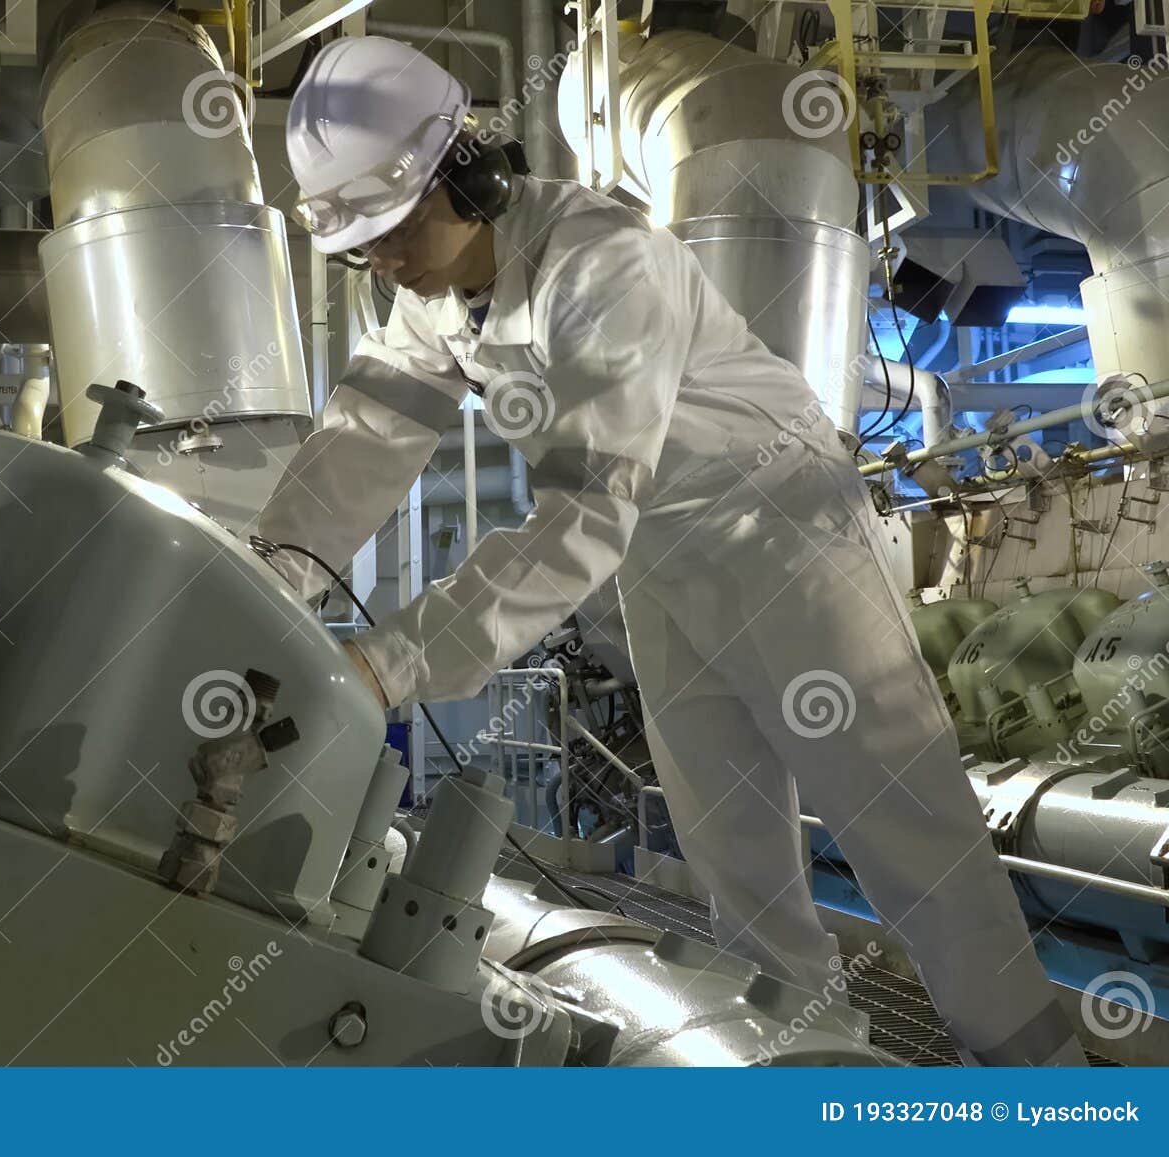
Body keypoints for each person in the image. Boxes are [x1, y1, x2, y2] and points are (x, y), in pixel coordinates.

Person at [254, 35, 1084, 1066]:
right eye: (359, 246)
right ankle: (801, 1063)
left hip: (777, 527)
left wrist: (388, 663)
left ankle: (1044, 1079)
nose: (380, 258)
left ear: (466, 172)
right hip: (664, 552)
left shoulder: (604, 263)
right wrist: (264, 579)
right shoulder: (426, 298)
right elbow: (363, 440)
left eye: (391, 227)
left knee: (902, 822)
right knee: (729, 844)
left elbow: (580, 511)